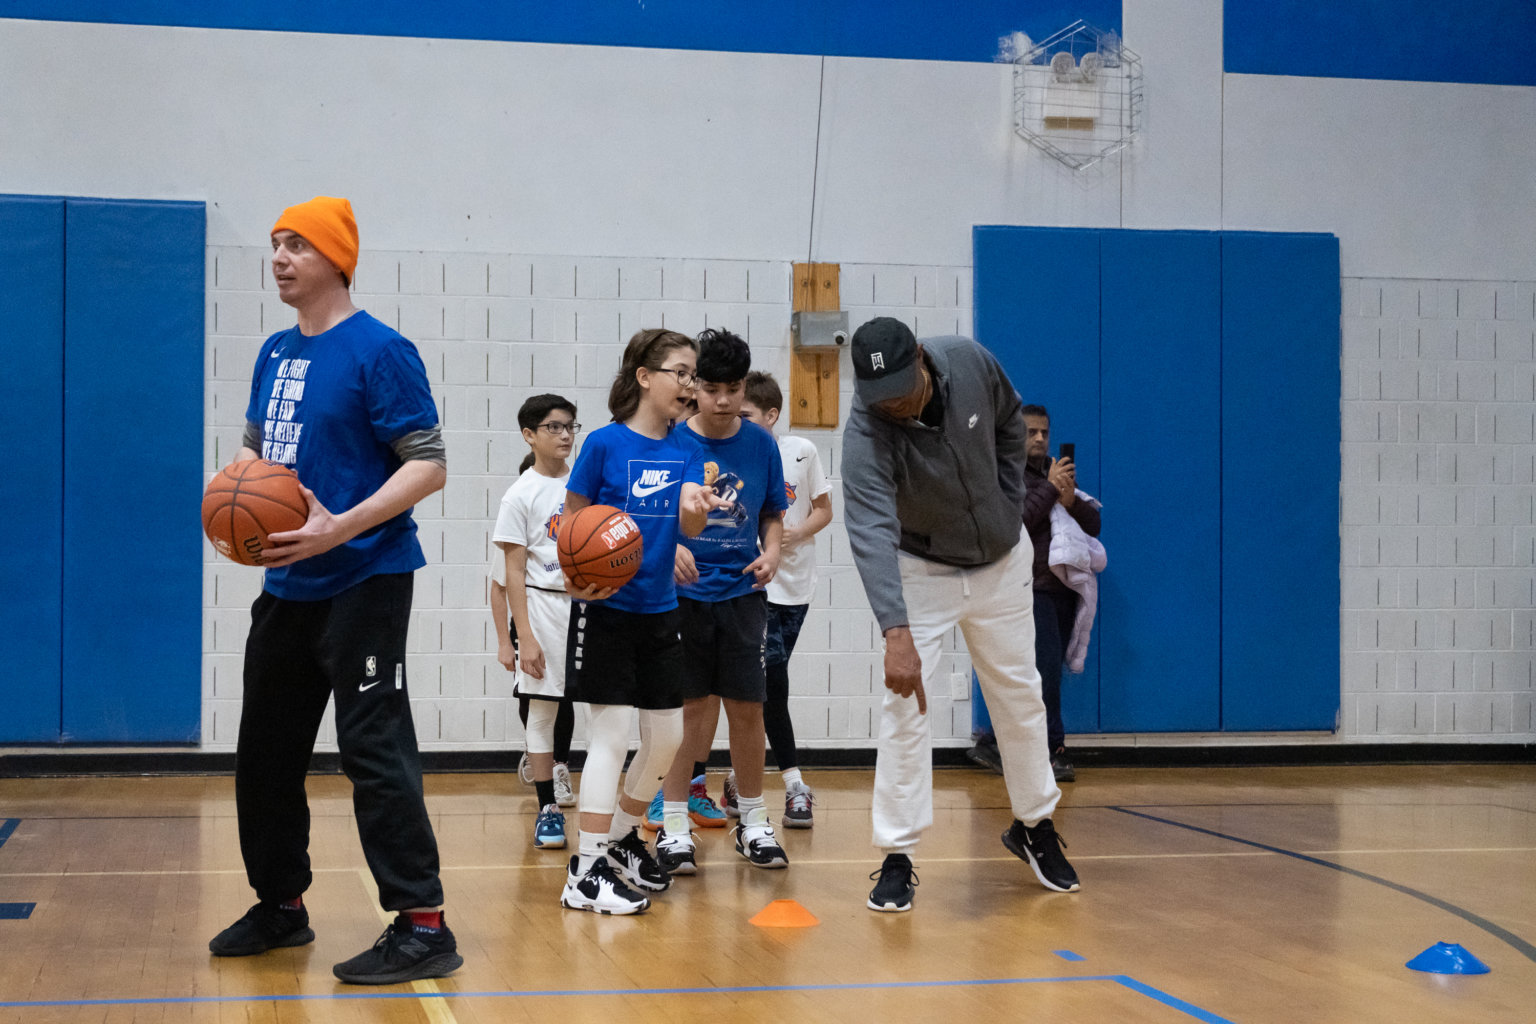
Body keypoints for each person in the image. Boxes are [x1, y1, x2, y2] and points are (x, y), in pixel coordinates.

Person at [209, 196, 462, 983]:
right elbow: (255, 456)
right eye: (276, 244)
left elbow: (429, 464)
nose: (279, 258)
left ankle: (424, 925)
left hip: (366, 577)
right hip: (288, 582)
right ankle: (281, 904)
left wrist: (339, 526)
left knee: (373, 750)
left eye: (298, 246)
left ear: (336, 260)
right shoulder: (275, 351)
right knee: (265, 752)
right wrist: (230, 503)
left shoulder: (380, 351)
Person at [840, 317, 1081, 913]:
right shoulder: (868, 427)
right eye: (879, 398)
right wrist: (895, 631)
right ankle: (897, 855)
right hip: (922, 569)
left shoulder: (969, 361)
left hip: (1001, 562)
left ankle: (1034, 825)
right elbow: (870, 528)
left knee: (1020, 693)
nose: (892, 406)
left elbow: (1010, 417)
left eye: (900, 391)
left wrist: (1006, 501)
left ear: (921, 358)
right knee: (906, 706)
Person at [558, 328, 720, 914]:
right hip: (606, 610)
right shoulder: (603, 444)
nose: (689, 384)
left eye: (693, 375)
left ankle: (624, 838)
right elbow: (570, 523)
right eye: (680, 372)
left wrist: (693, 513)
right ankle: (585, 869)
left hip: (660, 610)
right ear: (645, 377)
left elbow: (690, 525)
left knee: (669, 739)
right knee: (610, 736)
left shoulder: (687, 450)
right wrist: (573, 574)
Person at [650, 330, 788, 875]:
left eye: (733, 389)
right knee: (688, 713)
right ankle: (674, 825)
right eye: (712, 389)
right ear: (696, 386)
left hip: (742, 593)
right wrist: (670, 548)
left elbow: (772, 512)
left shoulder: (761, 444)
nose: (723, 400)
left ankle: (753, 822)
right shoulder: (671, 441)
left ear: (744, 386)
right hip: (682, 596)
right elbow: (650, 515)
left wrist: (772, 552)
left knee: (748, 710)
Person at [732, 370, 833, 828]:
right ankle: (794, 785)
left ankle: (738, 778)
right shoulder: (734, 454)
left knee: (766, 685)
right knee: (770, 682)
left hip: (796, 586)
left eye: (747, 414)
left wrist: (795, 533)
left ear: (771, 414)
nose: (739, 422)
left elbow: (824, 510)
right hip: (754, 585)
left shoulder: (801, 451)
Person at [491, 394, 582, 849]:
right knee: (543, 712)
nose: (565, 435)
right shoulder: (519, 494)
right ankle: (548, 809)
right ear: (529, 435)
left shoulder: (586, 483)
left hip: (591, 604)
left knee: (606, 711)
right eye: (554, 427)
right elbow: (510, 573)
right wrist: (522, 636)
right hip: (544, 607)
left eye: (570, 426)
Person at [1021, 404, 1103, 784]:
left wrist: (1070, 501)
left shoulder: (1056, 473)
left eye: (1044, 432)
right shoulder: (1006, 474)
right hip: (1030, 590)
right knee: (1045, 673)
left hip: (1062, 588)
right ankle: (1053, 749)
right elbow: (1018, 521)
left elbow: (1093, 523)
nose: (1040, 438)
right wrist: (1052, 489)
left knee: (1048, 673)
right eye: (1031, 432)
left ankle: (1012, 744)